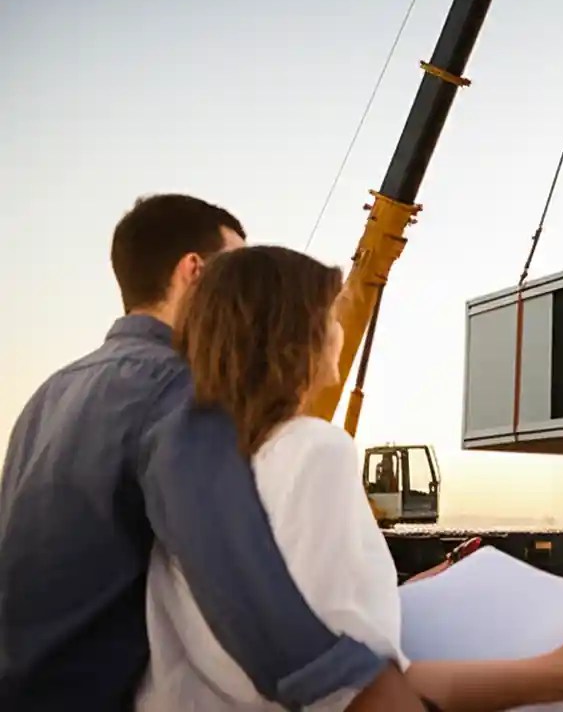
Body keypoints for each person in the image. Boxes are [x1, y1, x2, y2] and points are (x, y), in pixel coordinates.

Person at [138, 244, 563, 710]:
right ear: (295, 338)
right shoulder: (313, 451)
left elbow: (270, 614)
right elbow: (354, 691)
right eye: (330, 315)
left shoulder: (177, 458)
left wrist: (394, 595)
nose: (341, 331)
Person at [0, 195, 420, 710]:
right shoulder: (177, 393)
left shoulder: (53, 391)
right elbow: (259, 613)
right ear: (194, 272)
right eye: (234, 268)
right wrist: (371, 684)